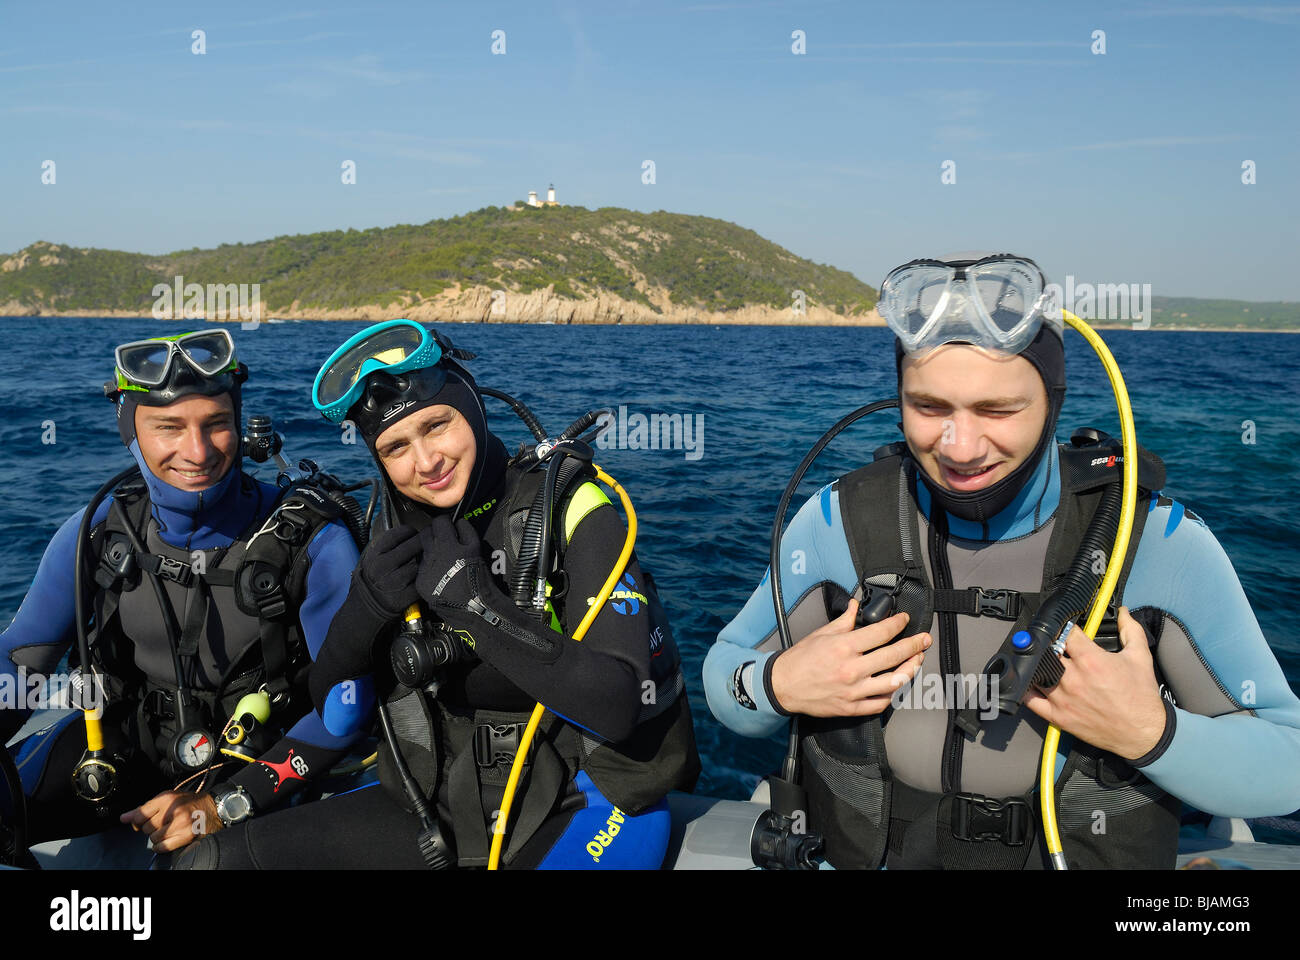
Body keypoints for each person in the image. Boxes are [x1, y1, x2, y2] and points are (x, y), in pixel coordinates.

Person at [704, 253, 1300, 869]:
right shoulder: (841, 522)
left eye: (997, 410)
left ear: (1052, 402)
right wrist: (780, 684)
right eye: (929, 406)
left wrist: (1152, 734)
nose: (959, 447)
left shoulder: (1153, 542)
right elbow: (724, 680)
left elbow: (1290, 762)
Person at [172, 320, 699, 869]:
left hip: (586, 800)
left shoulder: (572, 509)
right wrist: (365, 610)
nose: (426, 462)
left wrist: (474, 605)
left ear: (470, 406)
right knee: (207, 864)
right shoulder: (391, 538)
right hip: (440, 798)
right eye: (396, 446)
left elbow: (618, 703)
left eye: (437, 425)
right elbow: (337, 708)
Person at [0, 330, 368, 860]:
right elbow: (20, 660)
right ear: (131, 432)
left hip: (255, 766)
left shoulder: (311, 541)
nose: (196, 452)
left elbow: (346, 705)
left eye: (216, 425)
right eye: (168, 427)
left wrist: (228, 804)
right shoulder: (98, 533)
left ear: (239, 425)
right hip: (119, 752)